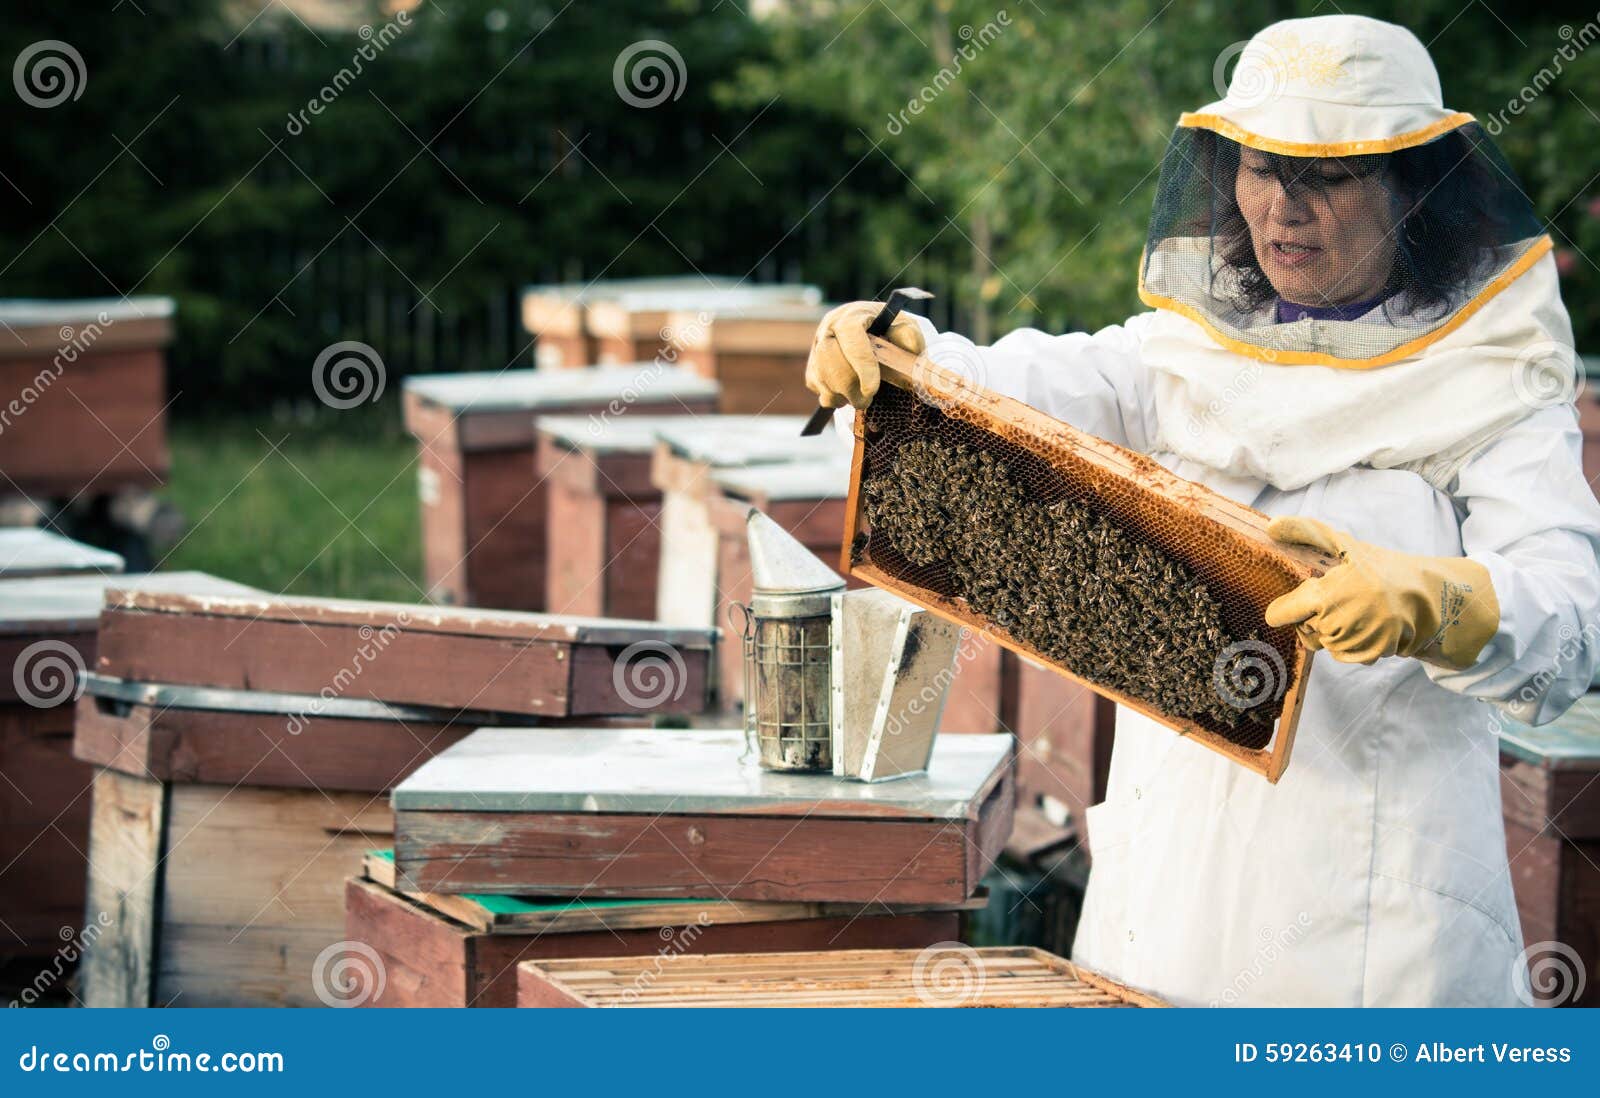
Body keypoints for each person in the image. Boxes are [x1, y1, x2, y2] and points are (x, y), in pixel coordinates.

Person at [803, 14, 1600, 1007]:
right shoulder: (1189, 350)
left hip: (1377, 927)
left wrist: (1444, 606)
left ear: (1411, 185)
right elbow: (1037, 381)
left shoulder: (1494, 380)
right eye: (1259, 168)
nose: (1282, 206)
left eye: (1328, 174)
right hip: (1165, 889)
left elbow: (1570, 617)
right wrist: (909, 357)